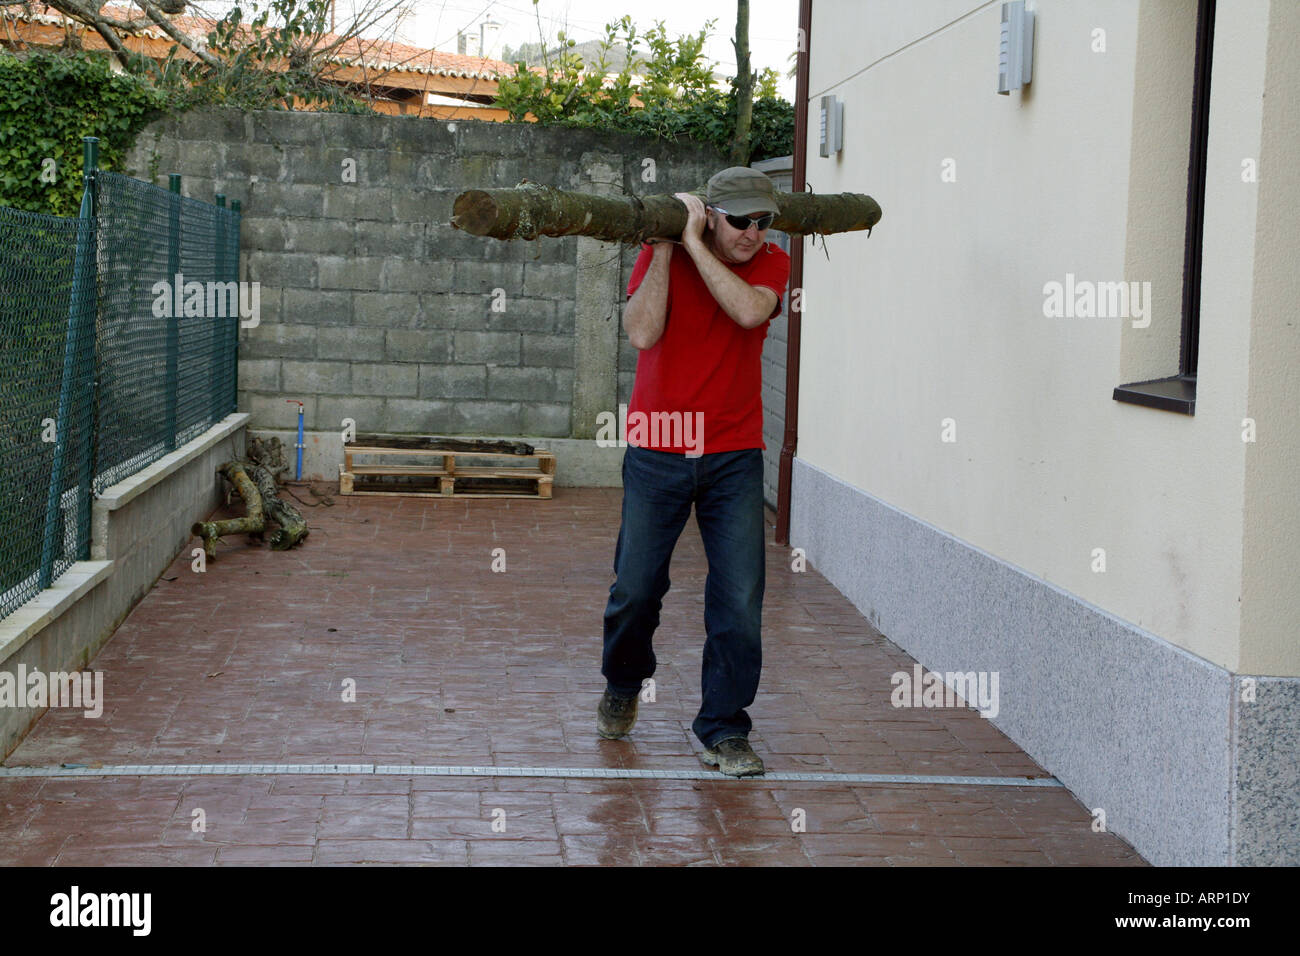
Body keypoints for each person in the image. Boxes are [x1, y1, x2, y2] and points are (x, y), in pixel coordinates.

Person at [597, 166, 791, 777]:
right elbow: (641, 331)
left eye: (763, 222)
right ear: (712, 213)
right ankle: (623, 683)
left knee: (738, 599)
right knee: (636, 588)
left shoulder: (771, 264)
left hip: (733, 454)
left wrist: (694, 244)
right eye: (741, 221)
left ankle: (725, 730)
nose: (754, 233)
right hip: (659, 447)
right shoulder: (662, 254)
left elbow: (747, 314)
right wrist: (665, 247)